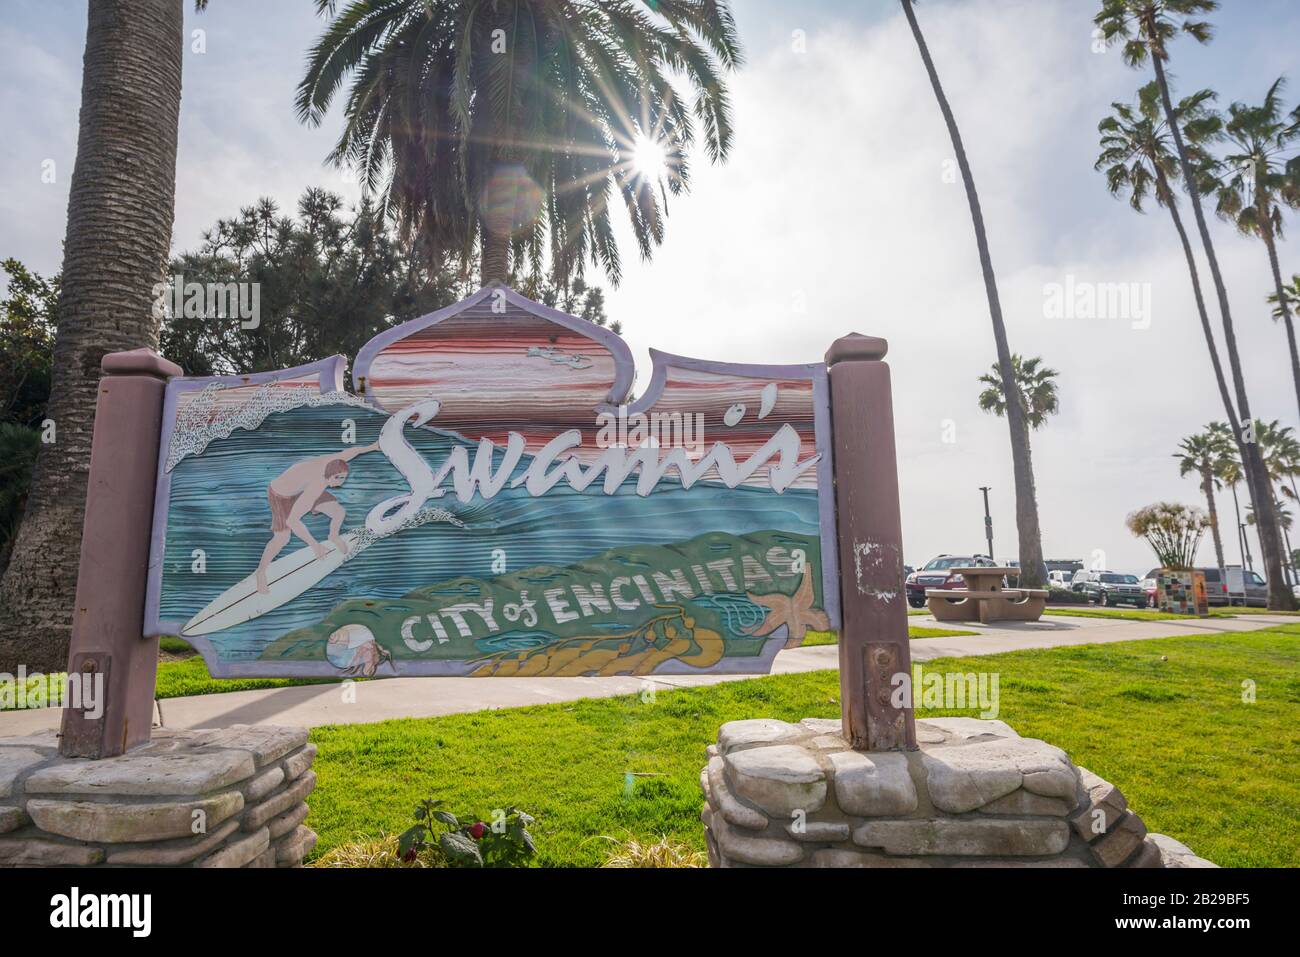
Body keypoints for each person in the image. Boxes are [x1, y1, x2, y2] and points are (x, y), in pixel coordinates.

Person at [254, 442, 380, 594]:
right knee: (282, 538)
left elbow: (353, 451)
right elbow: (292, 521)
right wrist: (315, 545)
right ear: (329, 475)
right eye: (338, 478)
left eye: (343, 478)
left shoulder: (334, 461)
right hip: (281, 495)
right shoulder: (316, 486)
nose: (341, 483)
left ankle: (333, 535)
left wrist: (373, 447)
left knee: (338, 512)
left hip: (300, 488)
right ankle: (260, 572)